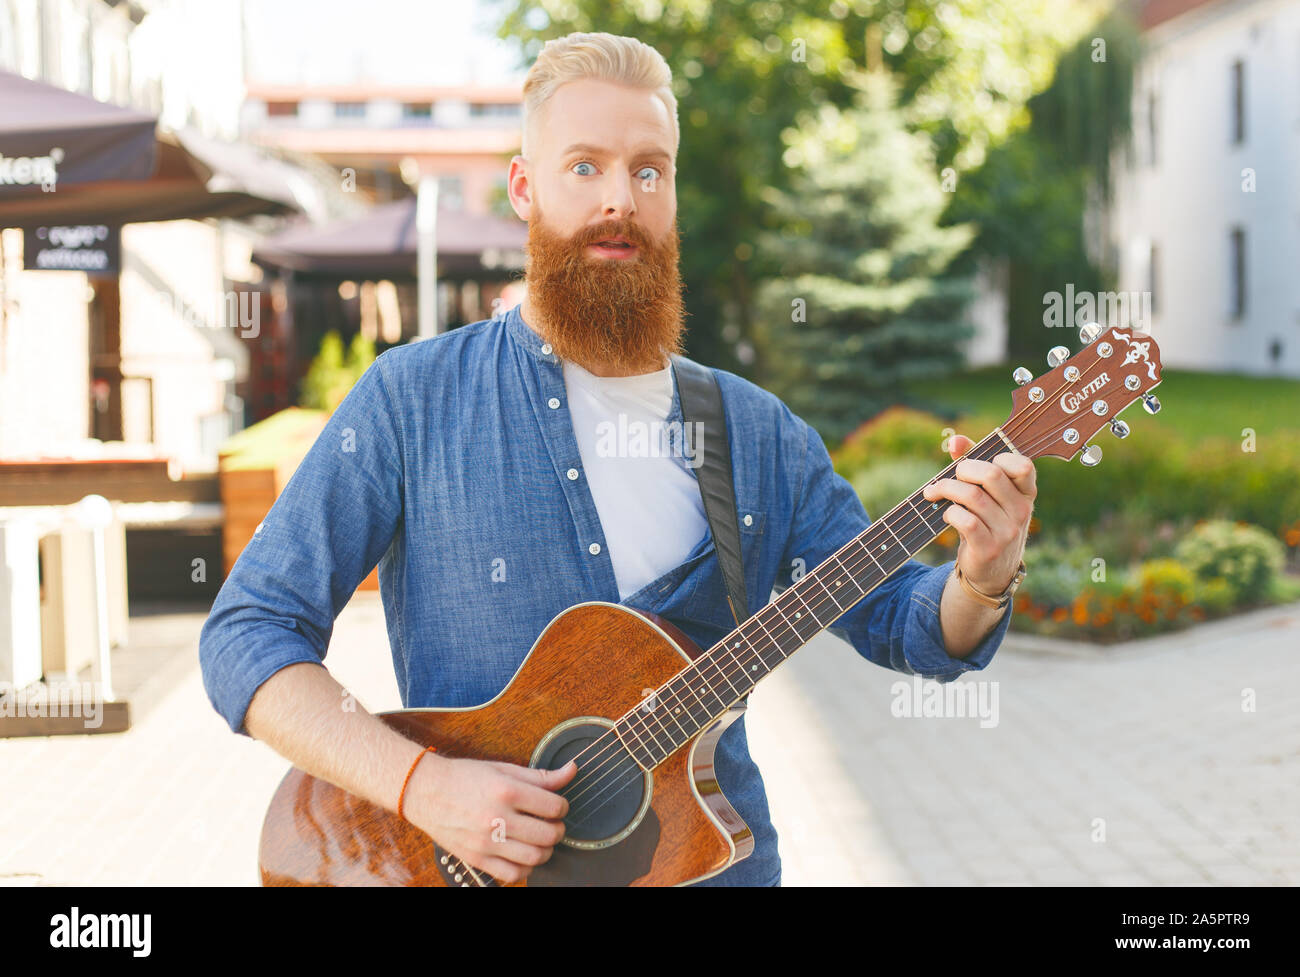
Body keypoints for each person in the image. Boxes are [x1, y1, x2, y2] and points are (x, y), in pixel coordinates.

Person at [199, 31, 1036, 887]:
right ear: (524, 188)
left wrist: (983, 575)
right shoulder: (410, 401)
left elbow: (906, 625)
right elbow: (247, 635)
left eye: (648, 170)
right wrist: (424, 786)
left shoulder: (757, 433)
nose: (620, 200)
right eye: (585, 167)